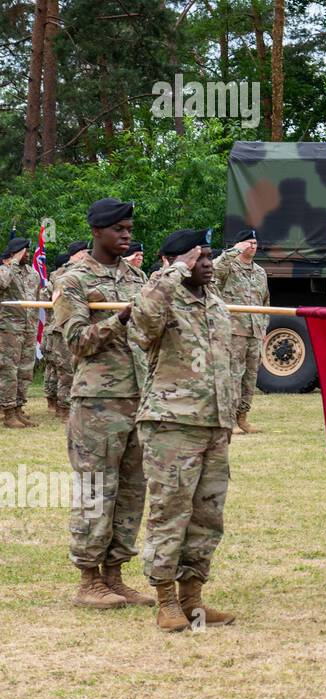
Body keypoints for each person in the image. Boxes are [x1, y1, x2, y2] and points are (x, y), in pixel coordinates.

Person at [133, 228, 237, 631]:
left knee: (207, 516)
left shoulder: (213, 301)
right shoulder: (161, 296)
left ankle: (193, 598)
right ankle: (165, 600)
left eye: (210, 257)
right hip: (172, 423)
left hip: (213, 423)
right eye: (201, 258)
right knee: (169, 513)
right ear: (180, 262)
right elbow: (142, 322)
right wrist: (174, 271)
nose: (209, 264)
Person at [53, 198, 152, 609]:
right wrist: (120, 319)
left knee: (132, 490)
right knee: (96, 489)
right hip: (97, 402)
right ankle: (89, 580)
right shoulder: (73, 281)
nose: (127, 235)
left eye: (129, 229)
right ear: (97, 231)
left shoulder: (138, 277)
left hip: (139, 399)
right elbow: (76, 341)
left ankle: (115, 574)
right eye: (119, 230)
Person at [213, 227, 269, 434]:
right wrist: (233, 251)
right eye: (249, 243)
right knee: (233, 375)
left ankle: (242, 417)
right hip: (234, 331)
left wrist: (263, 328)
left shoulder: (260, 272)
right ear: (240, 245)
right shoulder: (229, 266)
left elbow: (265, 302)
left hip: (254, 331)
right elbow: (214, 270)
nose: (253, 247)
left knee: (250, 377)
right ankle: (228, 418)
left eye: (255, 244)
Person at [42, 244, 88, 421]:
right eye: (86, 252)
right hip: (62, 328)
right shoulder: (62, 273)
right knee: (66, 370)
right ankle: (64, 408)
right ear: (80, 254)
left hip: (78, 325)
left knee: (76, 368)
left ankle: (72, 406)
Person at [0, 236, 40, 428]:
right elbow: (2, 284)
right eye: (25, 251)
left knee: (25, 370)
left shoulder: (32, 274)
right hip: (9, 329)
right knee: (9, 370)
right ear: (16, 253)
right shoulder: (5, 270)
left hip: (29, 329)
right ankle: (7, 412)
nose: (28, 254)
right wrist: (13, 262)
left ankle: (18, 408)